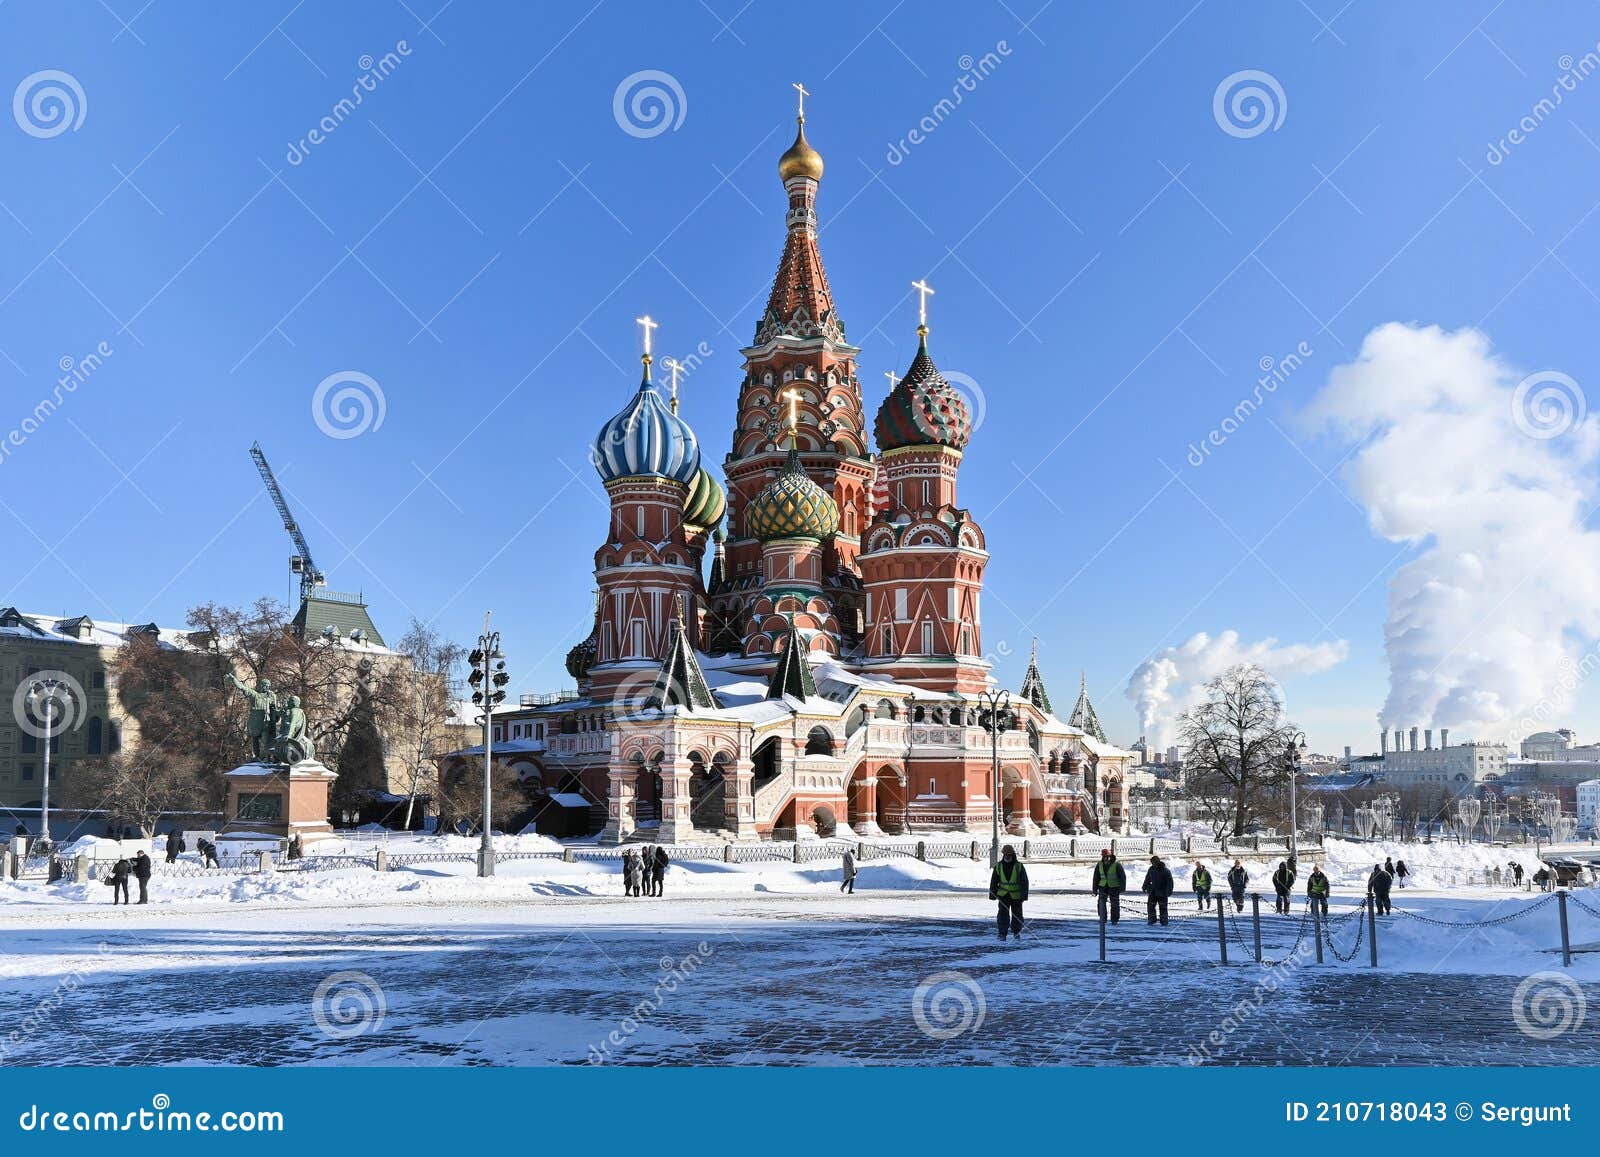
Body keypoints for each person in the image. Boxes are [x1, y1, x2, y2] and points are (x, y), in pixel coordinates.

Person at [989, 845, 1029, 940]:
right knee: (1002, 915)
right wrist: (992, 894)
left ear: (1013, 854)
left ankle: (1016, 932)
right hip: (1003, 896)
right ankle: (1002, 933)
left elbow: (1025, 882)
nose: (1007, 856)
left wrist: (1024, 895)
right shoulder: (998, 866)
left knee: (1017, 916)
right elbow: (994, 881)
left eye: (1009, 854)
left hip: (1016, 896)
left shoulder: (1019, 866)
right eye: (1005, 854)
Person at [1091, 848, 1126, 925]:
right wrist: (1094, 889)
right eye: (1105, 857)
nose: (1107, 858)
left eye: (1108, 856)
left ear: (1111, 856)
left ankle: (1114, 920)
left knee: (1115, 905)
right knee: (1101, 904)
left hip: (1114, 887)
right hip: (1103, 887)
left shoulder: (1116, 864)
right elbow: (1096, 877)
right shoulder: (1099, 864)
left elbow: (1122, 877)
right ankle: (1103, 919)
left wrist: (1122, 888)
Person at [1141, 855, 1174, 926]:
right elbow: (1147, 879)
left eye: (1153, 862)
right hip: (1153, 891)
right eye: (1152, 863)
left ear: (1157, 862)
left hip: (1162, 892)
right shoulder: (1151, 869)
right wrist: (1144, 886)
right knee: (1150, 906)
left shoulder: (1165, 870)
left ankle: (1164, 921)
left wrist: (1169, 891)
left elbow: (1170, 882)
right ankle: (1151, 920)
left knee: (1163, 907)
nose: (1152, 864)